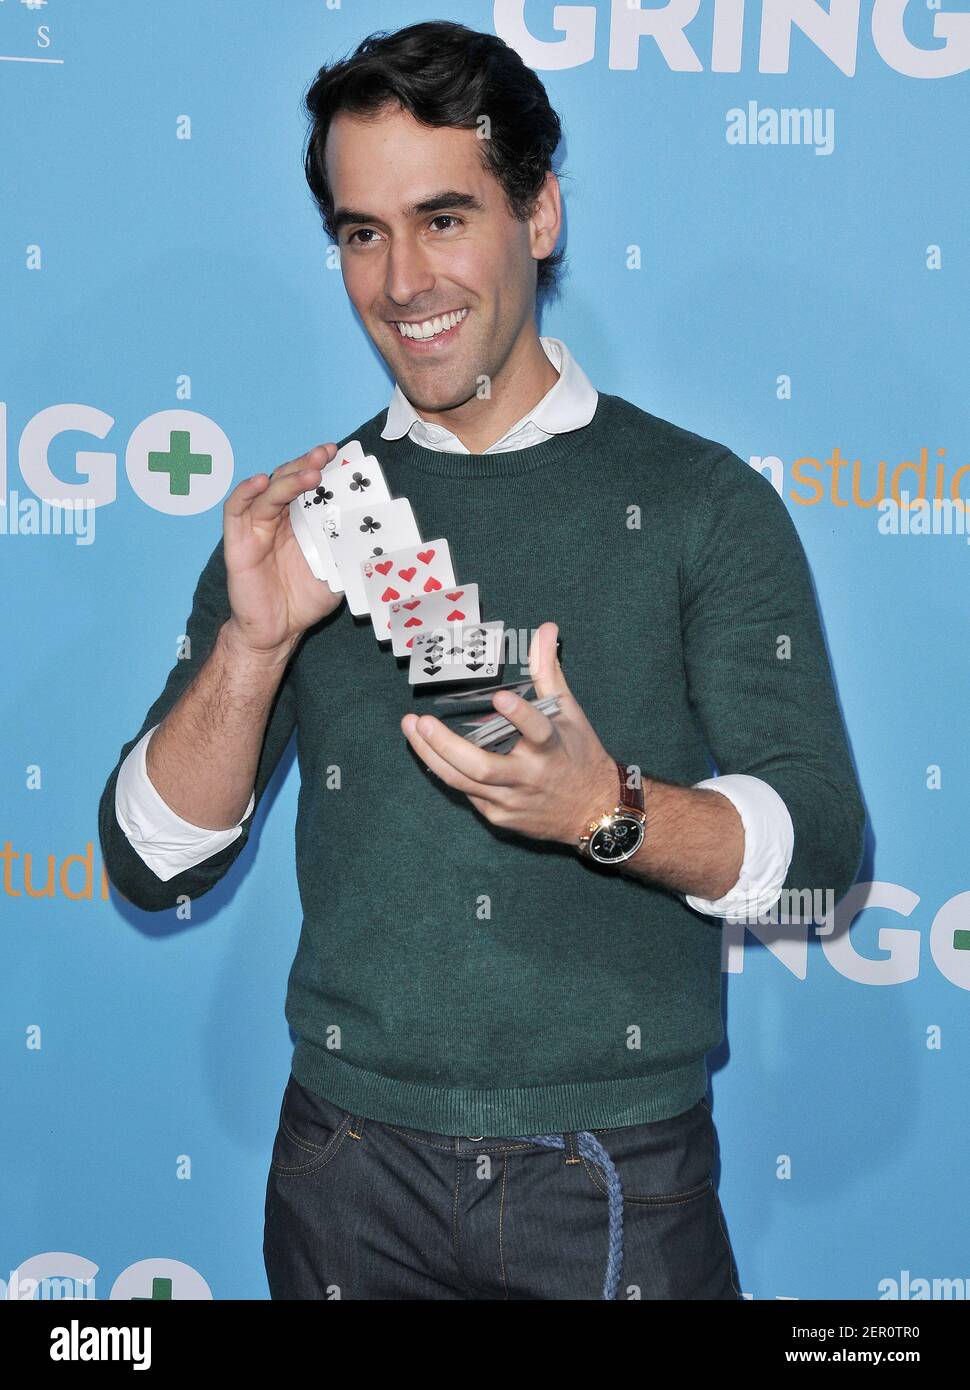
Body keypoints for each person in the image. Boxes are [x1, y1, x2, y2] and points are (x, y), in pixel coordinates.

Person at [98, 20, 866, 1301]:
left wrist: (604, 813)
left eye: (444, 217)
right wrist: (253, 641)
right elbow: (150, 858)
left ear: (540, 215)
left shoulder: (698, 500)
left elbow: (824, 847)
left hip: (615, 1165)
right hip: (346, 1161)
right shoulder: (306, 515)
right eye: (361, 232)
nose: (402, 280)